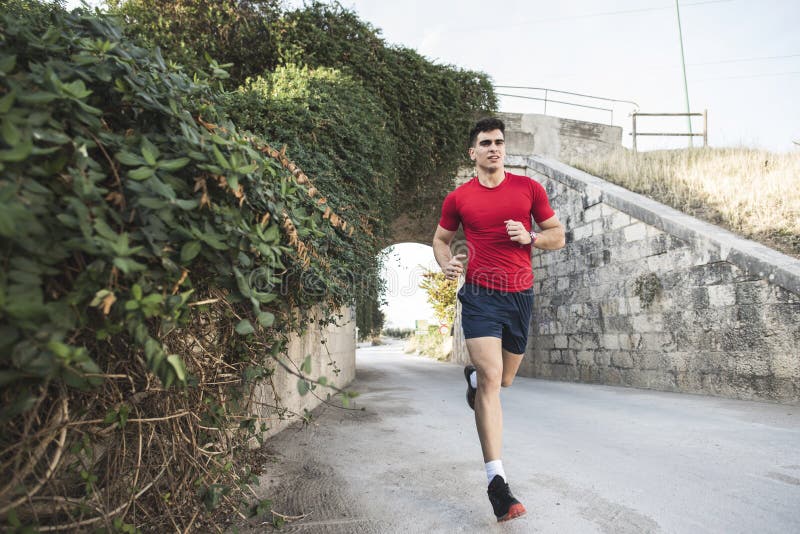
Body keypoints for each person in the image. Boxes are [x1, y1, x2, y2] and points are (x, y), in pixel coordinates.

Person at [432, 117, 565, 522]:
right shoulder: (459, 198)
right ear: (473, 152)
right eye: (486, 143)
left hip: (519, 297)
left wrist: (532, 238)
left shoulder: (529, 189)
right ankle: (498, 484)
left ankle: (475, 380)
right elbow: (440, 239)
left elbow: (557, 235)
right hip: (479, 295)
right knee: (493, 380)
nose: (494, 148)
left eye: (499, 142)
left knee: (503, 381)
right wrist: (447, 264)